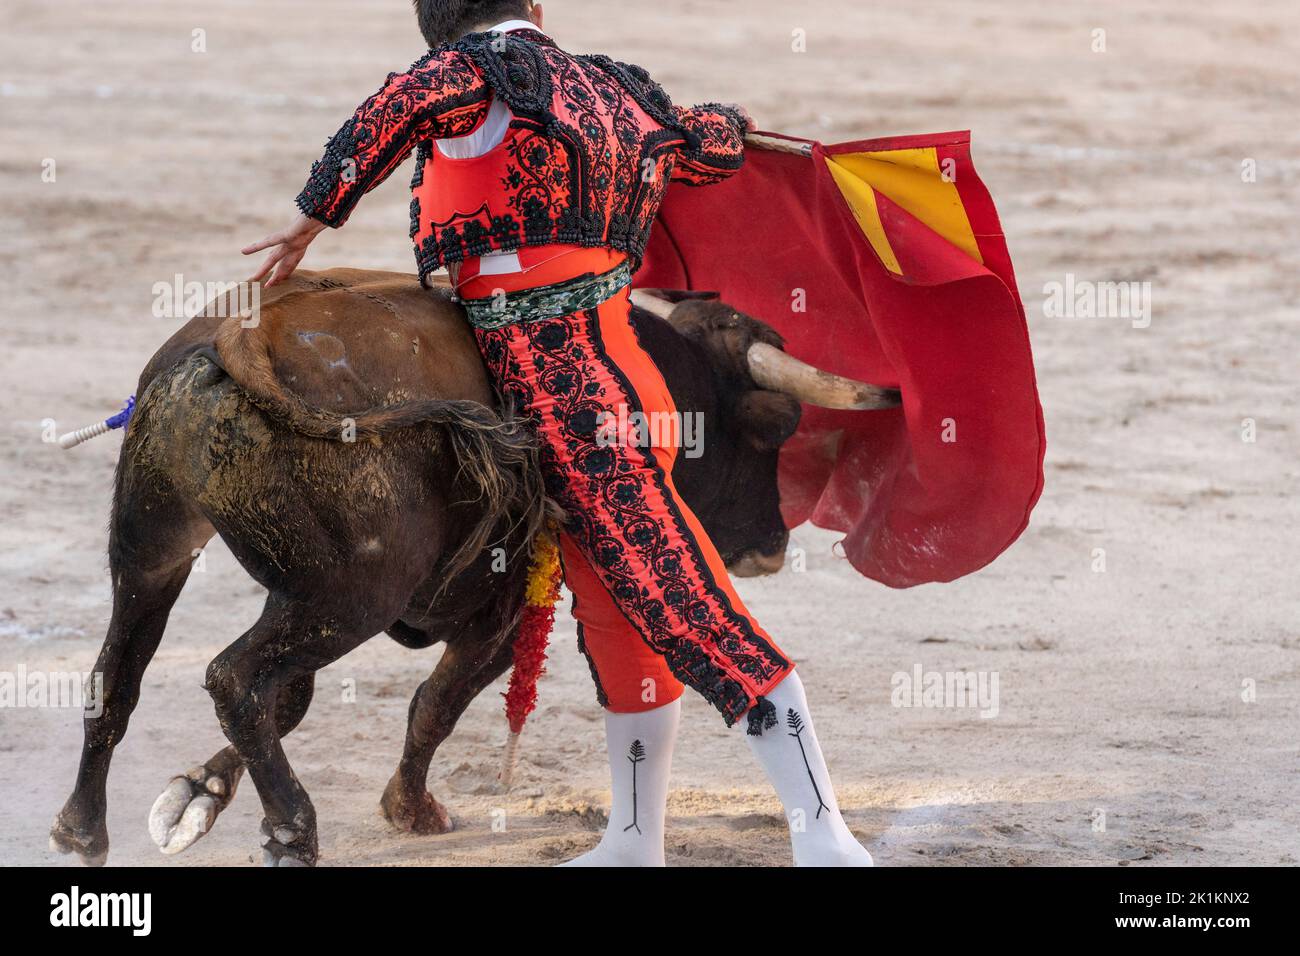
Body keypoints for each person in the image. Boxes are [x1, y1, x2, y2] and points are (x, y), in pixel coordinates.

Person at [243, 0, 872, 867]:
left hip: (576, 399)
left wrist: (316, 213)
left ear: (437, 25)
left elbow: (392, 110)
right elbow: (716, 142)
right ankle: (632, 840)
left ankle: (824, 833)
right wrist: (732, 124)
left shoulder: (476, 72)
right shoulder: (622, 88)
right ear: (537, 6)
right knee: (620, 614)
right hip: (618, 370)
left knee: (680, 601)